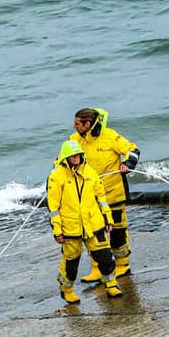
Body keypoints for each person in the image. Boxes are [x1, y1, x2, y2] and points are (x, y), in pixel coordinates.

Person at [48, 140, 123, 303]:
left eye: (78, 154)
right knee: (71, 261)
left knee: (104, 256)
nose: (76, 157)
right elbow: (53, 207)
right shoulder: (56, 177)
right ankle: (66, 289)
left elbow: (101, 197)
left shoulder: (90, 172)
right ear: (65, 157)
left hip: (94, 223)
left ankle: (111, 284)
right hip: (70, 227)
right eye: (72, 155)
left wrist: (107, 218)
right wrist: (57, 230)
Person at [70, 108, 141, 279]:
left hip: (113, 192)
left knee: (117, 229)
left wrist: (128, 164)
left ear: (88, 124)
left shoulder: (110, 136)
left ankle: (122, 264)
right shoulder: (74, 140)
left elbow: (133, 150)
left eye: (77, 124)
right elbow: (63, 160)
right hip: (90, 196)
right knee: (94, 234)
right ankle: (98, 268)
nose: (74, 127)